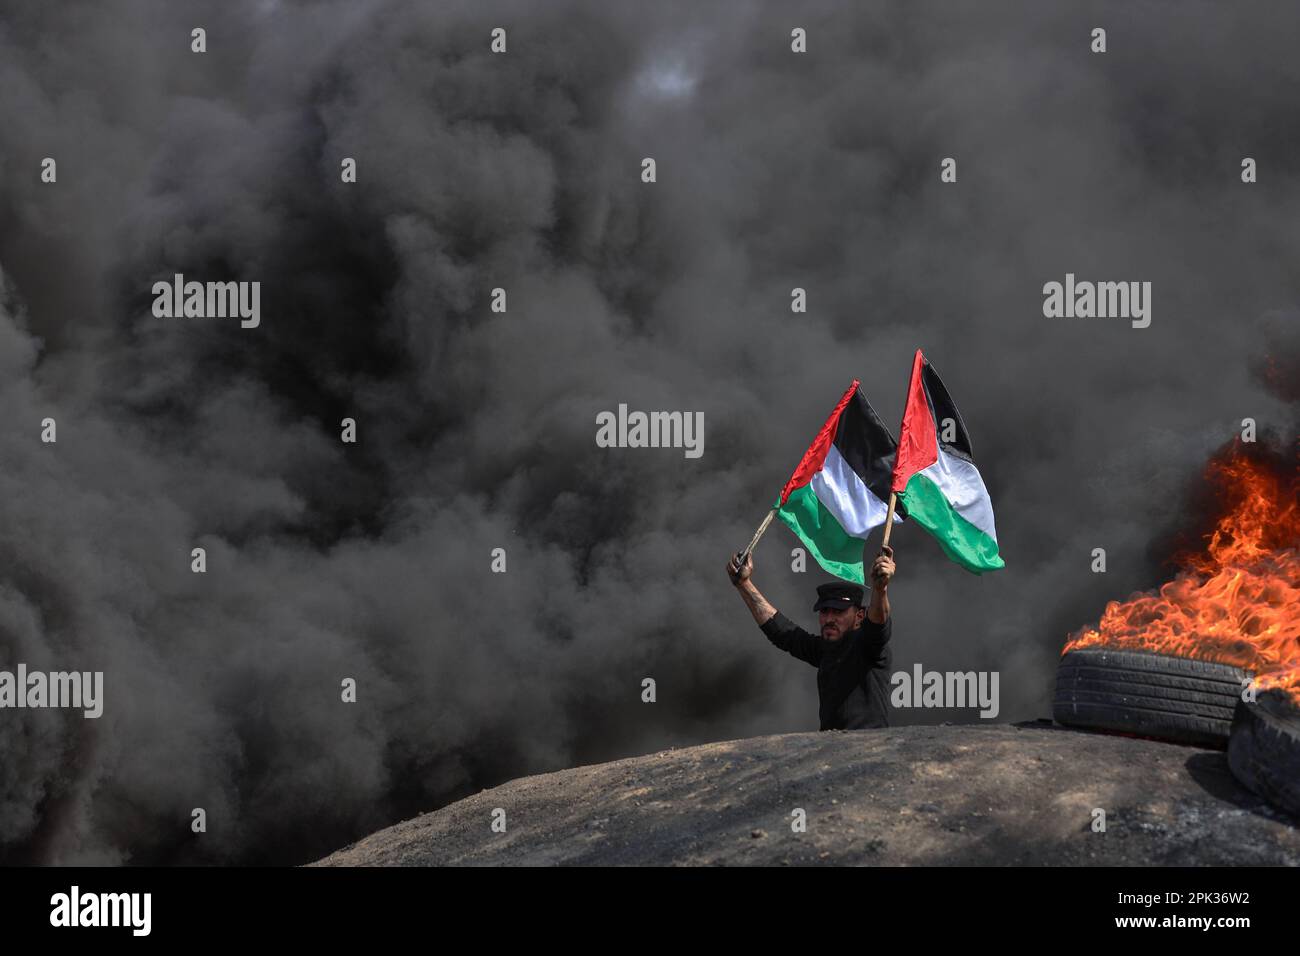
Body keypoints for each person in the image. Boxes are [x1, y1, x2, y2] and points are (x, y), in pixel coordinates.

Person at [727, 545, 896, 730]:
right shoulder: (825, 649)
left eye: (838, 612)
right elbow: (783, 633)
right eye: (824, 611)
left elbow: (878, 625)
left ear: (860, 617)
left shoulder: (868, 646)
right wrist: (744, 584)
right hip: (831, 752)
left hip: (871, 751)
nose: (829, 619)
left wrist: (880, 589)